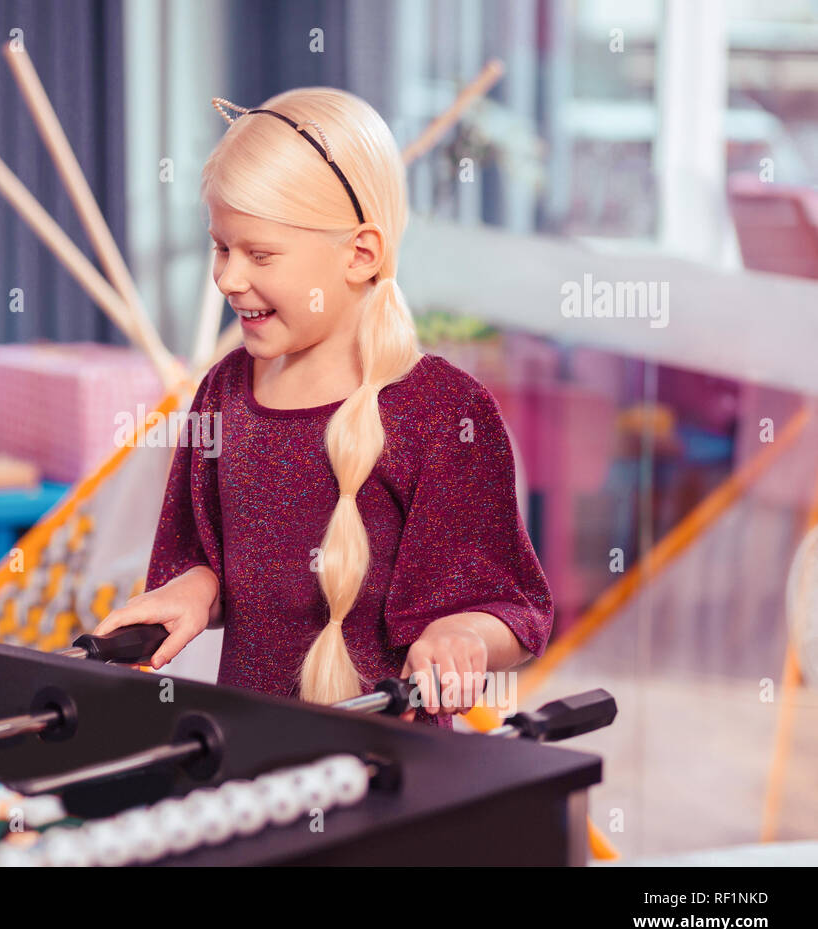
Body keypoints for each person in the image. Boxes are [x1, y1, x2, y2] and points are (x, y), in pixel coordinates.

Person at [93, 89, 553, 728]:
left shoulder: (443, 412)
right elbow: (209, 559)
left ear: (360, 254)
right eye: (221, 248)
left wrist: (465, 637)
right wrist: (190, 592)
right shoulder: (223, 394)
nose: (226, 278)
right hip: (247, 755)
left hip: (392, 773)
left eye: (259, 254)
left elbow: (507, 604)